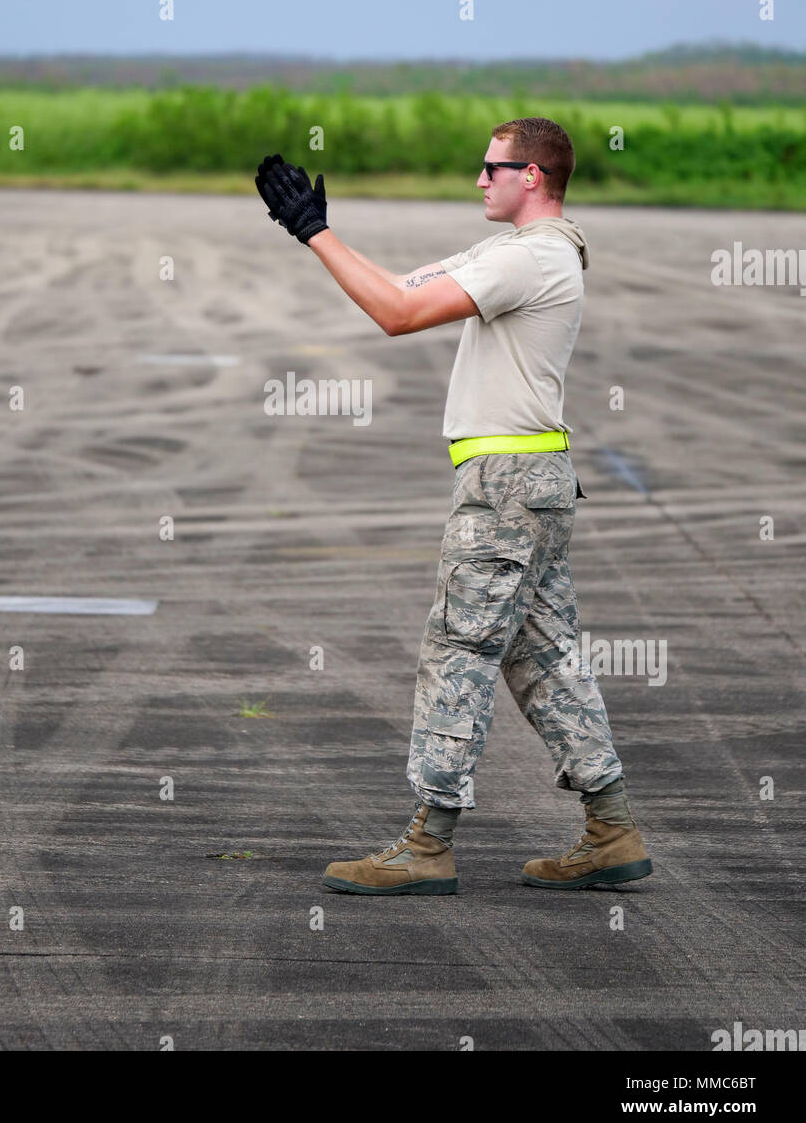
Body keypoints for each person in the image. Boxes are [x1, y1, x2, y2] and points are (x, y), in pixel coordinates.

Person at [254, 117, 653, 895]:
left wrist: (313, 233)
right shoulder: (508, 252)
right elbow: (400, 290)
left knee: (458, 651)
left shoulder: (533, 256)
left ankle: (427, 844)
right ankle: (611, 829)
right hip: (526, 482)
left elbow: (398, 319)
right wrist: (316, 235)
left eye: (491, 167)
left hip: (505, 486)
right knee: (545, 662)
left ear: (531, 176)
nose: (479, 178)